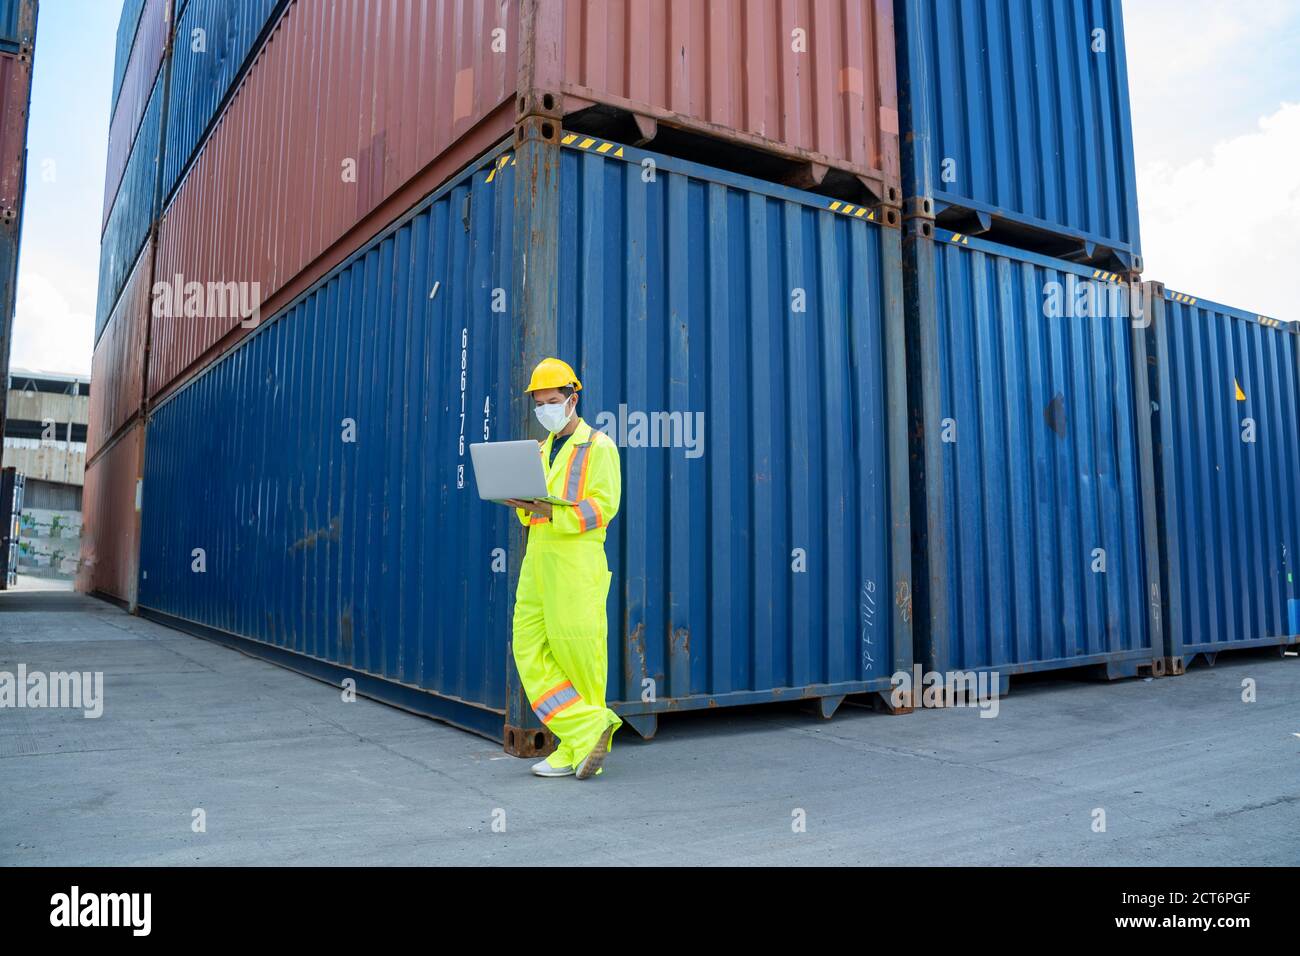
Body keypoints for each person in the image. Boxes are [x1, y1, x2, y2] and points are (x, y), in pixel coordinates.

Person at [502, 358, 623, 779]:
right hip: (538, 560)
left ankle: (577, 748)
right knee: (528, 647)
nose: (546, 409)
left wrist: (551, 514)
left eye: (553, 401)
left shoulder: (599, 447)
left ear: (573, 398)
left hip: (576, 562)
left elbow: (604, 507)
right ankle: (587, 727)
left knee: (577, 654)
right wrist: (522, 505)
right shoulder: (538, 450)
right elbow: (536, 514)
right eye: (539, 403)